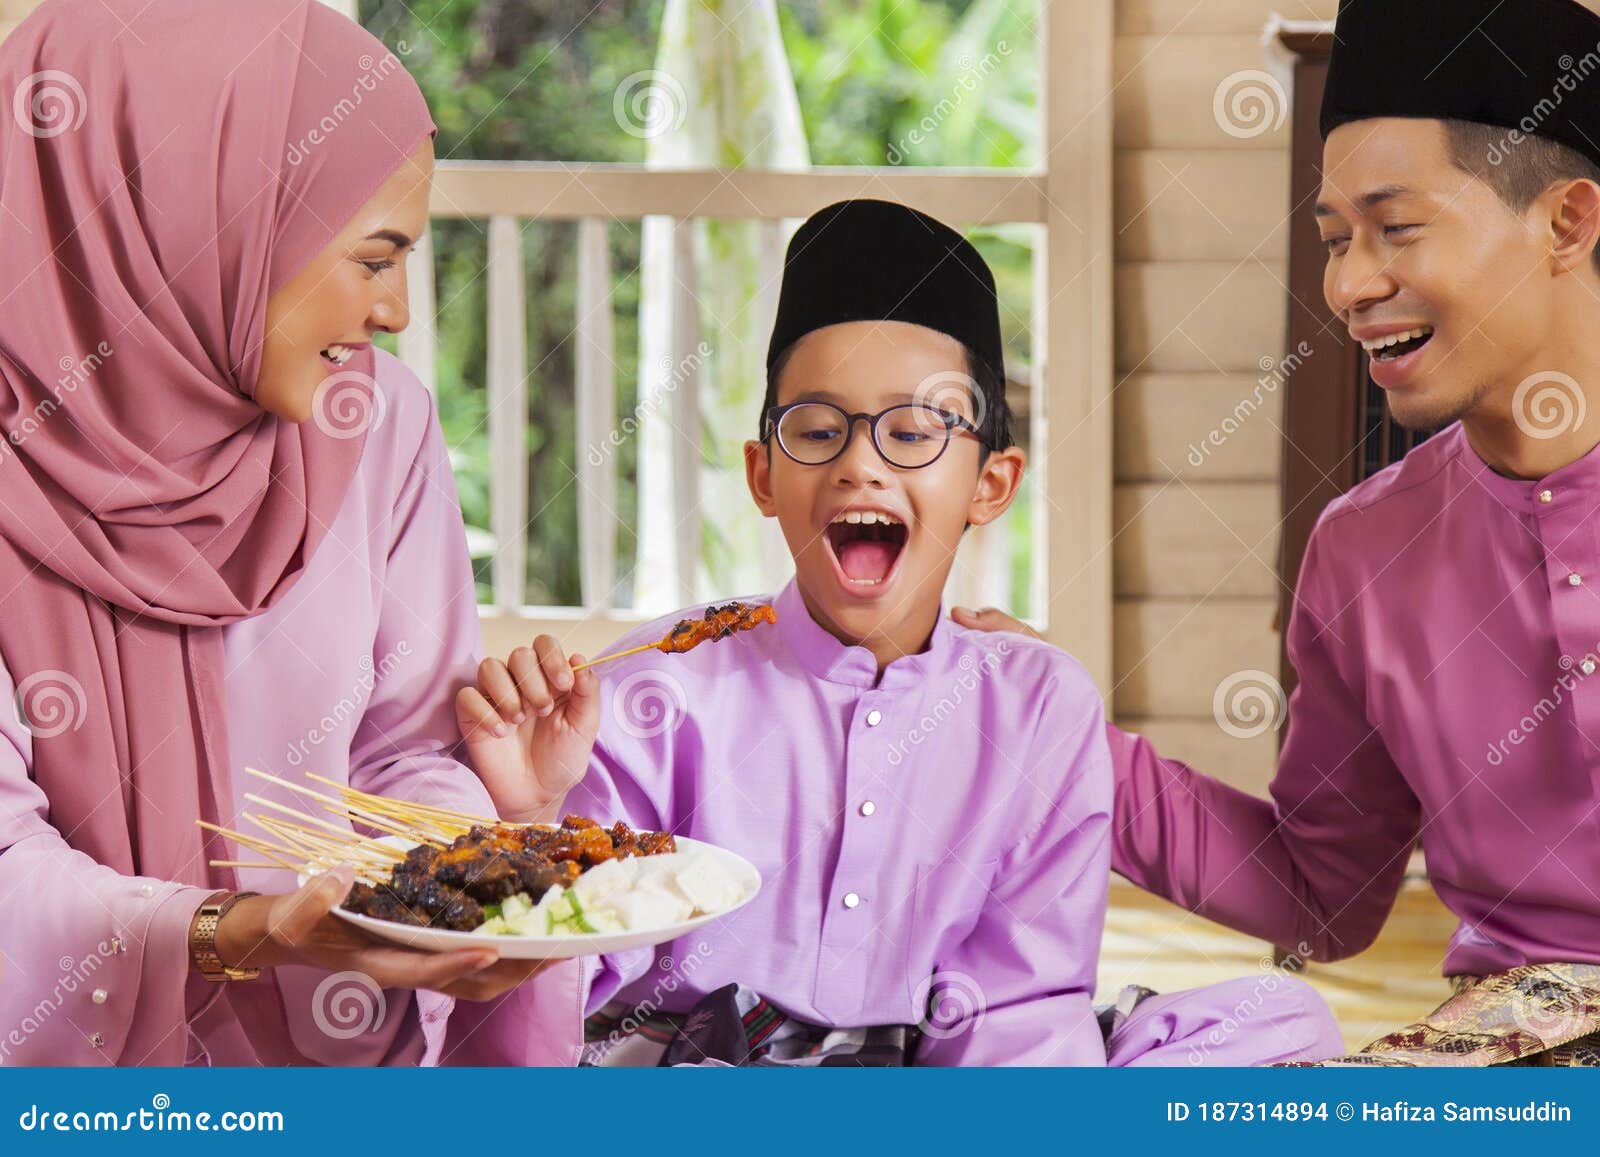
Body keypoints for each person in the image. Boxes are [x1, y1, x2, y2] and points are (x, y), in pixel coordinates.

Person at [456, 199, 1343, 1066]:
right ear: (764, 475)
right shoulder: (655, 688)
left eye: (913, 431)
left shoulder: (1039, 703)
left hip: (941, 1086)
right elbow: (557, 1011)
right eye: (816, 428)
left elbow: (1022, 1006)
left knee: (1283, 1016)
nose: (859, 463)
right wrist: (532, 820)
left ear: (991, 484)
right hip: (700, 1079)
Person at [956, 0, 1600, 1067]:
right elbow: (1321, 889)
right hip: (1507, 1056)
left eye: (1396, 228)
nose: (1349, 284)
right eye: (1335, 239)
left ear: (1566, 224)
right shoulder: (1366, 548)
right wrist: (1060, 732)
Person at [0, 0, 579, 1066]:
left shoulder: (377, 423)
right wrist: (238, 935)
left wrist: (471, 853)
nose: (399, 310)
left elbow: (404, 749)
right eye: (374, 256)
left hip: (342, 1068)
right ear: (199, 219)